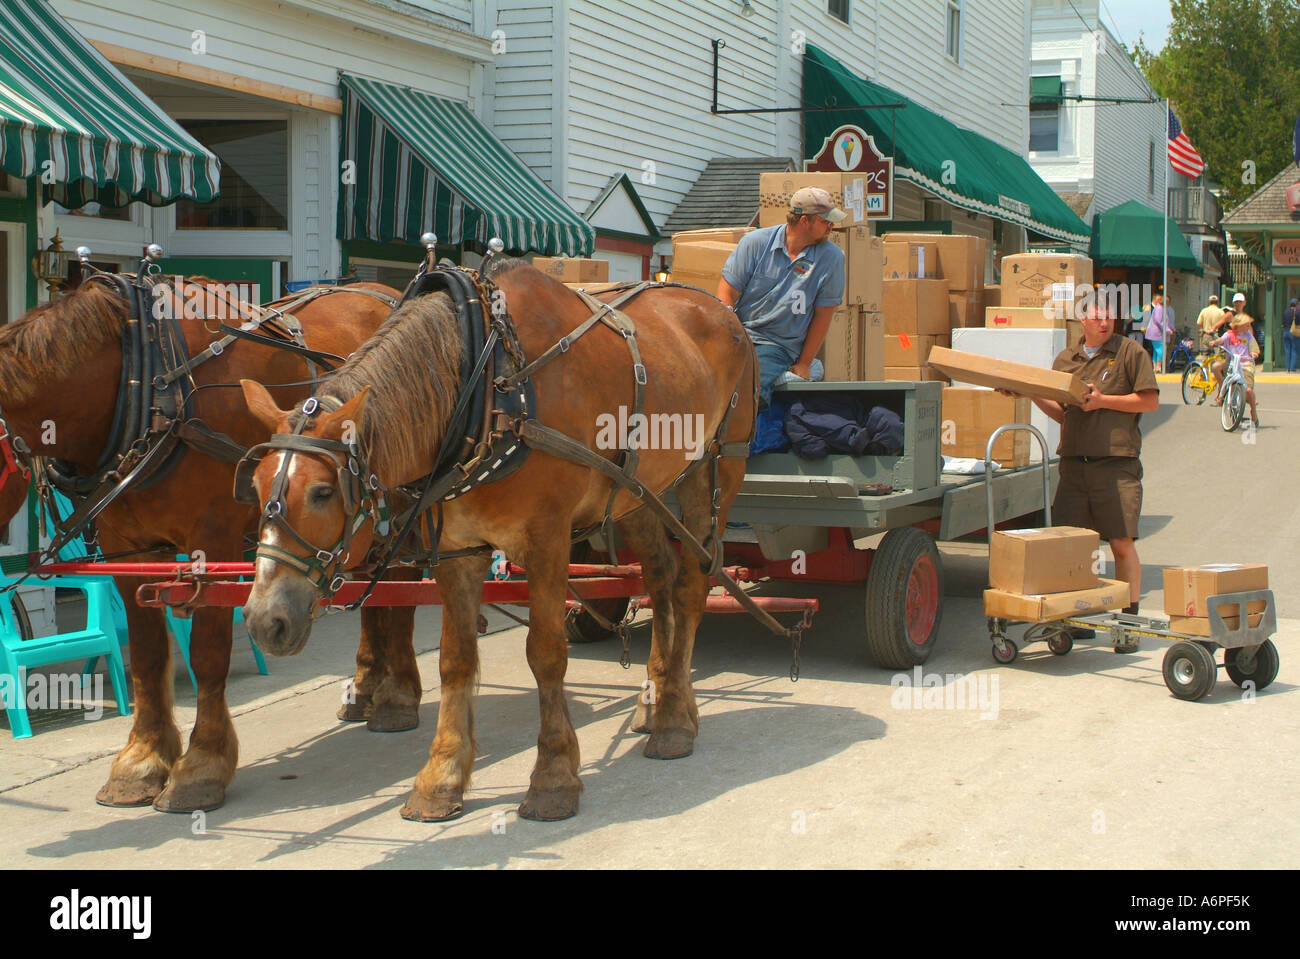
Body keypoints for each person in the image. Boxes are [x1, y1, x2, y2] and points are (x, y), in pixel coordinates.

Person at [1006, 303, 1158, 651]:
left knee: (1121, 542)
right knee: (1069, 548)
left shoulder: (1129, 353)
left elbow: (1148, 402)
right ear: (1083, 319)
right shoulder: (1065, 361)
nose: (1105, 322)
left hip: (1116, 464)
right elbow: (1064, 415)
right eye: (1097, 316)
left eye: (1110, 316)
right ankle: (1073, 622)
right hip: (1074, 464)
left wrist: (1104, 401)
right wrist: (1031, 393)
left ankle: (1128, 623)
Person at [718, 187, 847, 407]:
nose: (831, 227)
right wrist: (730, 332)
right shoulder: (756, 242)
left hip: (778, 345)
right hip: (741, 335)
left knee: (750, 387)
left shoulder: (832, 257)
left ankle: (745, 437)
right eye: (826, 221)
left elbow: (823, 316)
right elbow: (727, 291)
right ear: (805, 221)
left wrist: (805, 363)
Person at [1211, 311, 1262, 427]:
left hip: (1245, 366)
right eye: (1246, 324)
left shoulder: (1248, 335)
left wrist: (1253, 354)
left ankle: (1253, 410)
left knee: (1248, 391)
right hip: (1231, 364)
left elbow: (1254, 348)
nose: (1248, 326)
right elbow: (1221, 340)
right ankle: (1223, 390)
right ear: (1238, 325)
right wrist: (1215, 342)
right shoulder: (1229, 334)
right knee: (1216, 367)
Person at [1145, 293, 1172, 372]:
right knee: (1162, 349)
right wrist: (1167, 329)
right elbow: (1159, 321)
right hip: (1156, 334)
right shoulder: (1159, 309)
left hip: (1157, 334)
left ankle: (1156, 367)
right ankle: (1158, 367)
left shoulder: (1160, 308)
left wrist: (1171, 327)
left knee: (1157, 350)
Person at [1282, 297, 1300, 373]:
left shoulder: (1286, 312)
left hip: (1285, 332)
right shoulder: (1297, 312)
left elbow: (1283, 322)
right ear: (1296, 305)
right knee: (1294, 350)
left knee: (1287, 350)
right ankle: (1293, 368)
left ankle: (1287, 368)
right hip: (1293, 332)